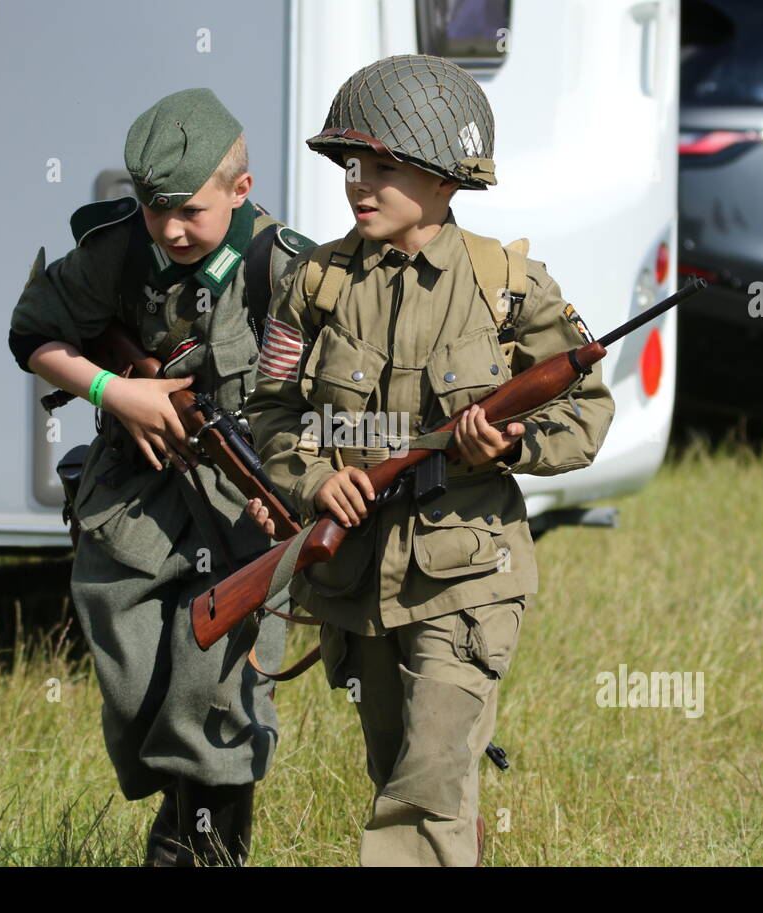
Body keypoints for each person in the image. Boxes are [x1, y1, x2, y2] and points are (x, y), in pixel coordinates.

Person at [242, 55, 615, 866]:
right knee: (404, 775)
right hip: (357, 585)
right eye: (353, 165)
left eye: (384, 167)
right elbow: (270, 411)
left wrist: (515, 443)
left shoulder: (510, 287)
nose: (359, 185)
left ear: (448, 180)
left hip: (467, 578)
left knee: (421, 790)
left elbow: (585, 410)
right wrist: (315, 478)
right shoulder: (314, 284)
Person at [7, 88, 314, 866]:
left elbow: (335, 386)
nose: (171, 228)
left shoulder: (287, 268)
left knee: (212, 694)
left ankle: (198, 848)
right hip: (134, 509)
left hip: (246, 512)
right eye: (153, 208)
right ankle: (180, 817)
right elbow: (33, 332)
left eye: (190, 211)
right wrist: (119, 391)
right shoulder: (118, 251)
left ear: (240, 190)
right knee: (137, 688)